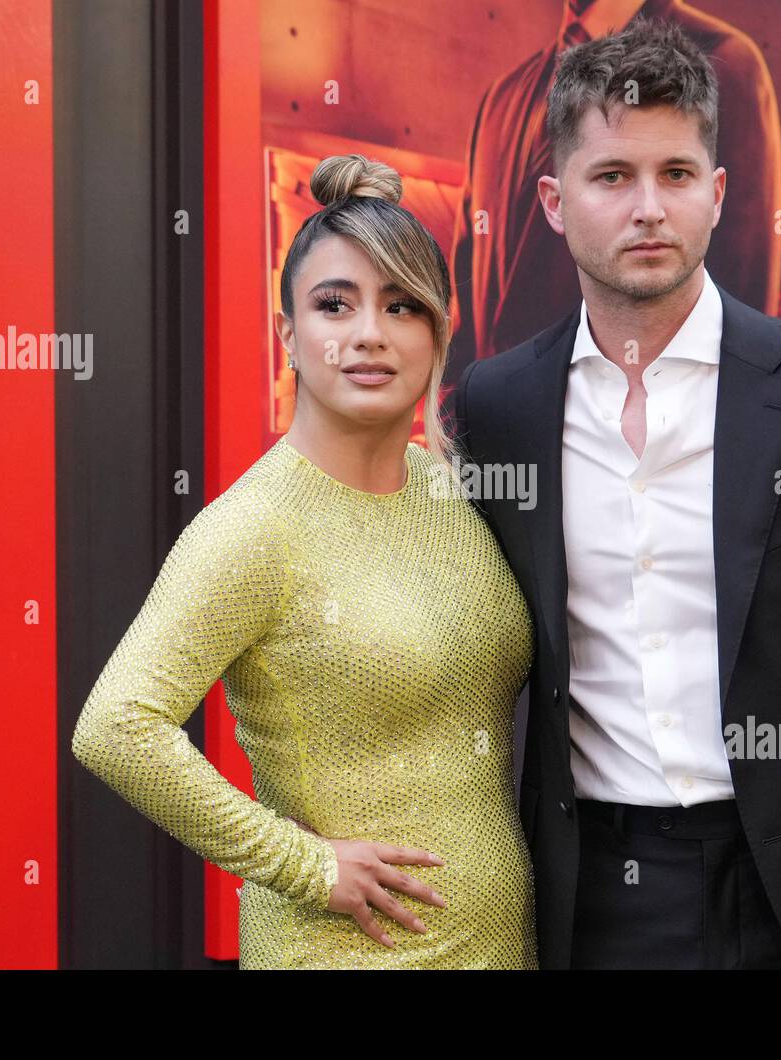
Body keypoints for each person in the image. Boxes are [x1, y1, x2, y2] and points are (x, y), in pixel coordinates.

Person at [448, 17, 781, 969]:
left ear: (719, 195)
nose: (647, 208)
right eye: (612, 176)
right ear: (552, 200)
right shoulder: (500, 409)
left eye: (676, 175)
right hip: (600, 895)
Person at [72, 154, 538, 969]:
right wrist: (306, 865)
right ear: (288, 332)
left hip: (500, 948)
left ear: (441, 328)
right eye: (334, 305)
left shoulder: (449, 488)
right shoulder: (255, 527)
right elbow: (115, 727)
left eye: (401, 306)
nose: (369, 333)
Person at [445, 0, 781, 388]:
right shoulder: (500, 101)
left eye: (674, 174)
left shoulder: (725, 60)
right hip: (498, 428)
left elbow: (745, 296)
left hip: (655, 425)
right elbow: (468, 300)